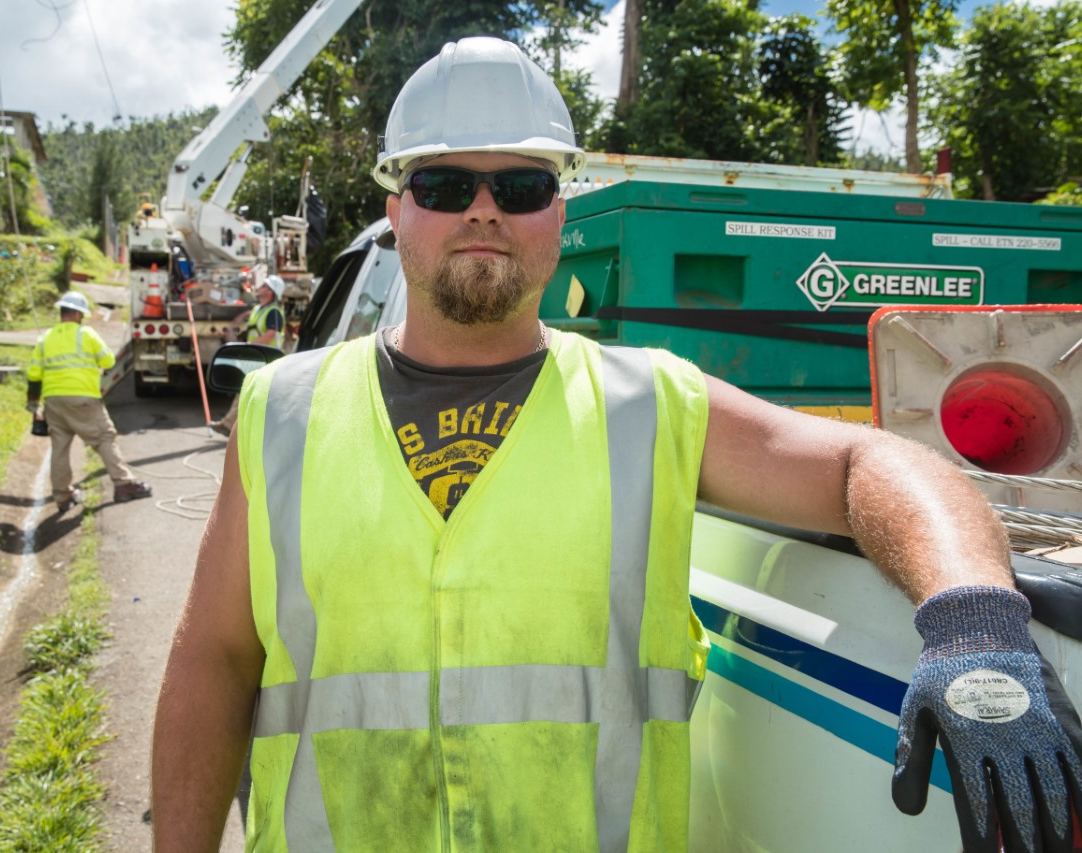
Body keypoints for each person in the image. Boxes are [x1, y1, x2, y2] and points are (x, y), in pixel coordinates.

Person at [151, 38, 1082, 853]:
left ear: (561, 211)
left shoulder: (651, 403)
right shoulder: (282, 411)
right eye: (444, 185)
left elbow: (870, 462)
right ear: (398, 210)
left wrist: (972, 617)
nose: (484, 210)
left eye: (519, 186)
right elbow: (214, 662)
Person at [27, 291, 152, 512]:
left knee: (60, 447)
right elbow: (108, 359)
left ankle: (63, 497)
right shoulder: (86, 334)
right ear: (77, 314)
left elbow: (34, 374)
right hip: (83, 398)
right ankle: (123, 484)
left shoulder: (45, 338)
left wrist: (33, 404)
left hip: (53, 401)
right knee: (104, 438)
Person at [210, 274, 287, 436]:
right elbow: (250, 321)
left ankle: (230, 425)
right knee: (247, 391)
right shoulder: (259, 309)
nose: (261, 287)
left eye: (265, 286)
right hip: (257, 357)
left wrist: (250, 347)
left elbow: (270, 334)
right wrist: (236, 324)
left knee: (248, 391)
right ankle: (234, 425)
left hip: (267, 358)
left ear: (271, 292)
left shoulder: (274, 312)